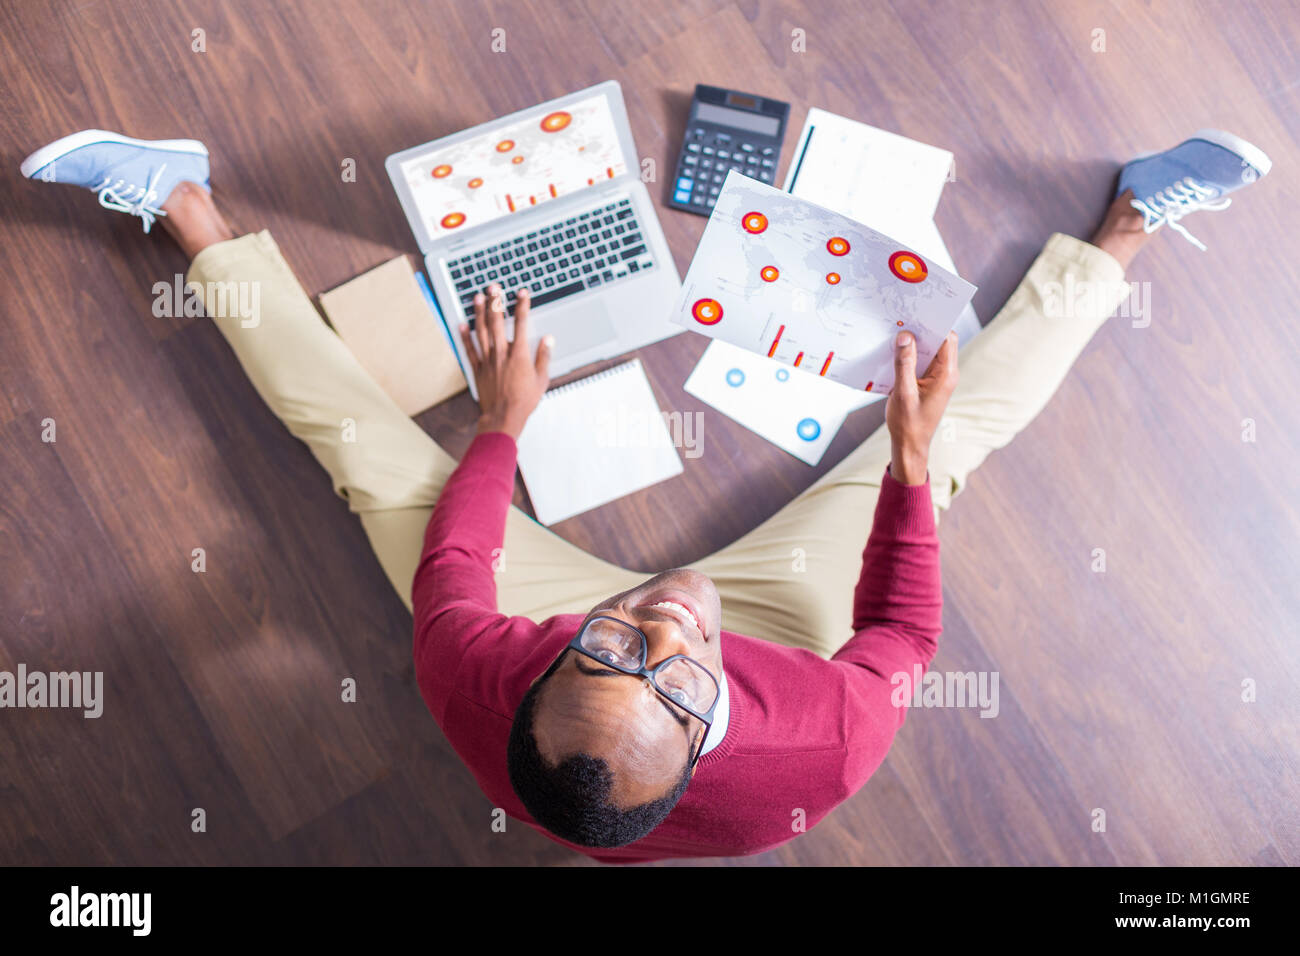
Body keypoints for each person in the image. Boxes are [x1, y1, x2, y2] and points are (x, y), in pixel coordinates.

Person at [21, 127, 1269, 862]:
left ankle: (182, 201)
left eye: (622, 645)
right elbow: (903, 631)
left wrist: (500, 430)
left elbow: (459, 566)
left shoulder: (470, 665)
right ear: (706, 722)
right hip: (778, 635)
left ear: (547, 661)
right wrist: (899, 466)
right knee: (951, 436)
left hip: (601, 643)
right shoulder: (827, 742)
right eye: (669, 674)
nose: (665, 622)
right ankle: (1130, 223)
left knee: (356, 446)